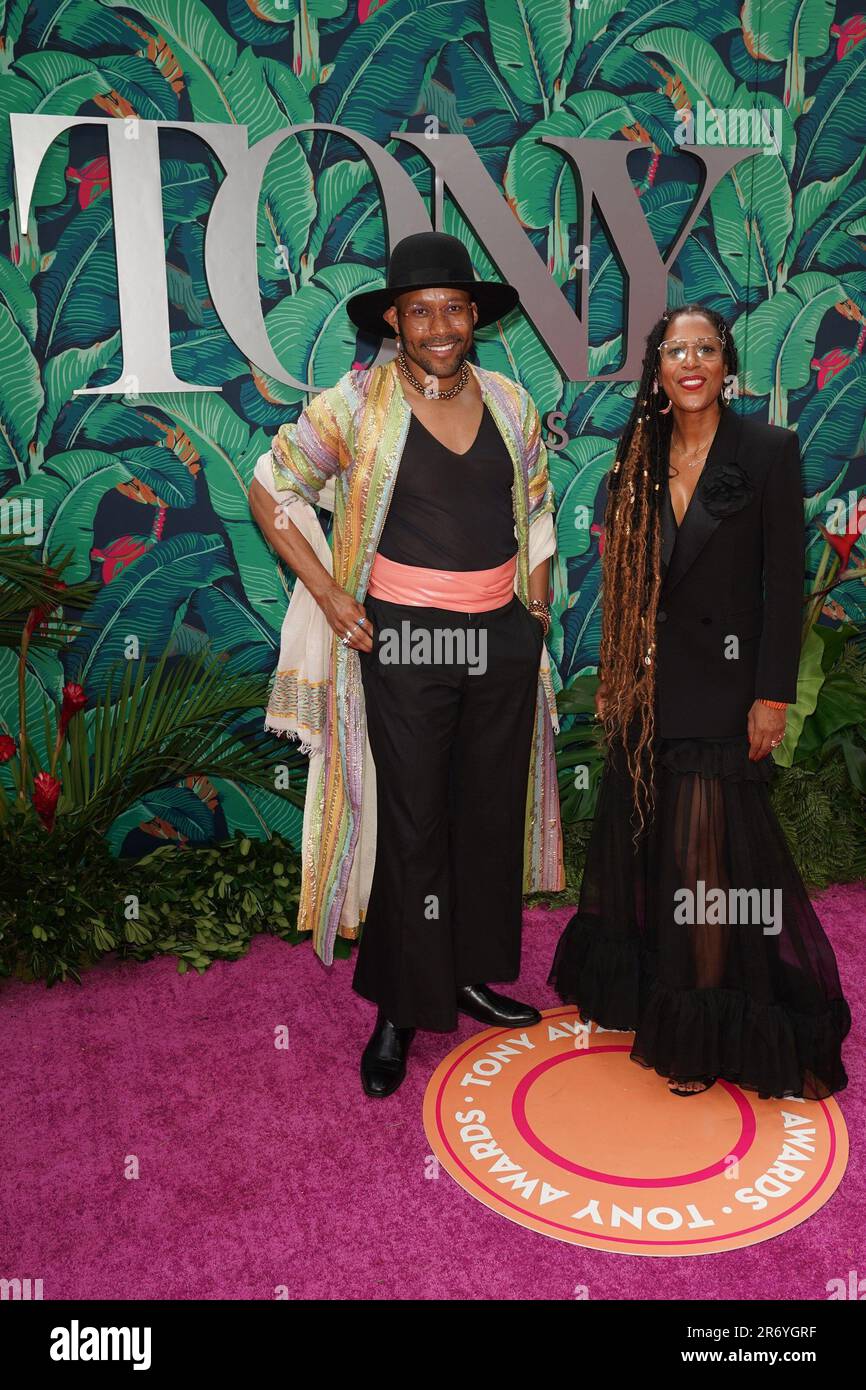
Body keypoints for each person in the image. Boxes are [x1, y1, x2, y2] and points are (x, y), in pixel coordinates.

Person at [249, 232, 565, 1099]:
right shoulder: (353, 406)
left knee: (486, 814)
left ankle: (465, 974)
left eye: (453, 309)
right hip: (408, 643)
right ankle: (397, 1008)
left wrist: (533, 615)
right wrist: (328, 595)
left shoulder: (512, 403)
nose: (438, 325)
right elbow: (270, 487)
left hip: (500, 640)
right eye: (419, 311)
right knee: (416, 822)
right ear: (394, 320)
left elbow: (536, 514)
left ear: (475, 318)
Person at [548, 304, 851, 1100]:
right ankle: (652, 991)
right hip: (650, 686)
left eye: (706, 349)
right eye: (675, 349)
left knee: (704, 863)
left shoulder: (768, 450)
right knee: (649, 848)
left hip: (725, 687)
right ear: (657, 368)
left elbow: (784, 585)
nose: (691, 362)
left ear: (727, 366)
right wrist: (616, 677)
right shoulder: (636, 453)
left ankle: (708, 1022)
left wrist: (772, 697)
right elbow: (625, 583)